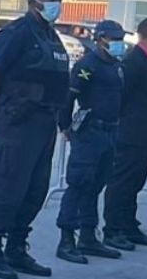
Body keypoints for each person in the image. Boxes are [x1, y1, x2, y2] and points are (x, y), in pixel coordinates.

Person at [0, 0, 72, 279]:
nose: (56, 3)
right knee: (6, 186)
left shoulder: (51, 36)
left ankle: (16, 248)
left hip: (44, 123)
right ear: (34, 1)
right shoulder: (17, 33)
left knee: (35, 188)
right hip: (17, 121)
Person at [54, 20, 127, 264]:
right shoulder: (88, 65)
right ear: (100, 39)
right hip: (89, 131)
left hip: (110, 131)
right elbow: (69, 96)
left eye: (120, 39)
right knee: (78, 184)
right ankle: (66, 239)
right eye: (113, 39)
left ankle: (88, 236)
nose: (118, 43)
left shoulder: (117, 65)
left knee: (96, 185)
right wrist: (65, 125)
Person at [101, 17, 147, 249]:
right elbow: (123, 95)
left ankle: (128, 225)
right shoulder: (134, 61)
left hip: (145, 131)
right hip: (132, 131)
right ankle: (113, 229)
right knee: (122, 181)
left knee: (135, 181)